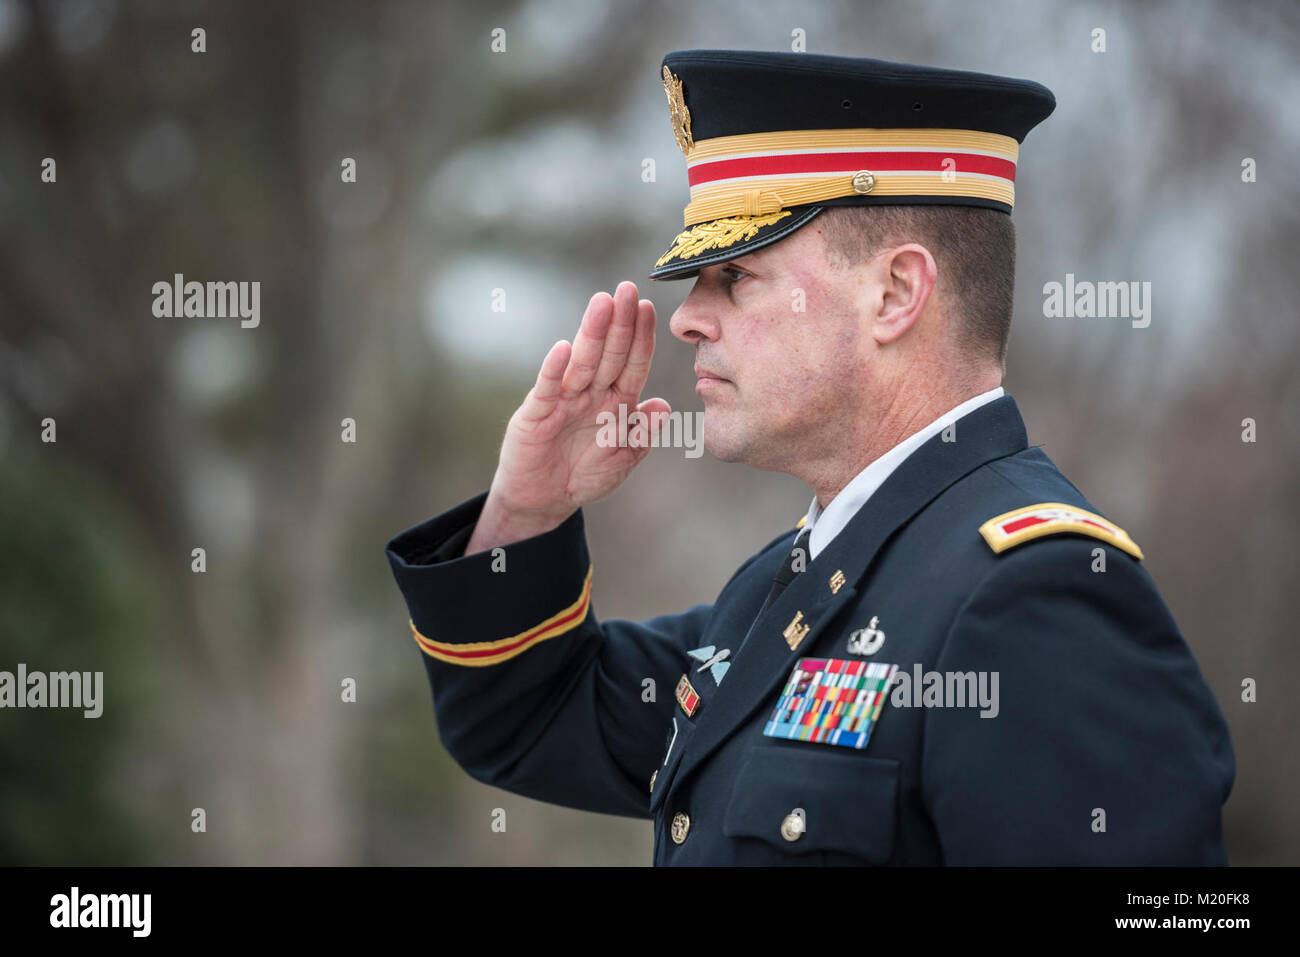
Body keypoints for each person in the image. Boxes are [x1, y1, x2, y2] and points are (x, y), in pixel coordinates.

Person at [385, 50, 1234, 865]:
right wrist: (529, 510)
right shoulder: (790, 584)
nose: (687, 319)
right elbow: (529, 719)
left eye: (737, 276)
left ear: (896, 294)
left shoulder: (1036, 595)